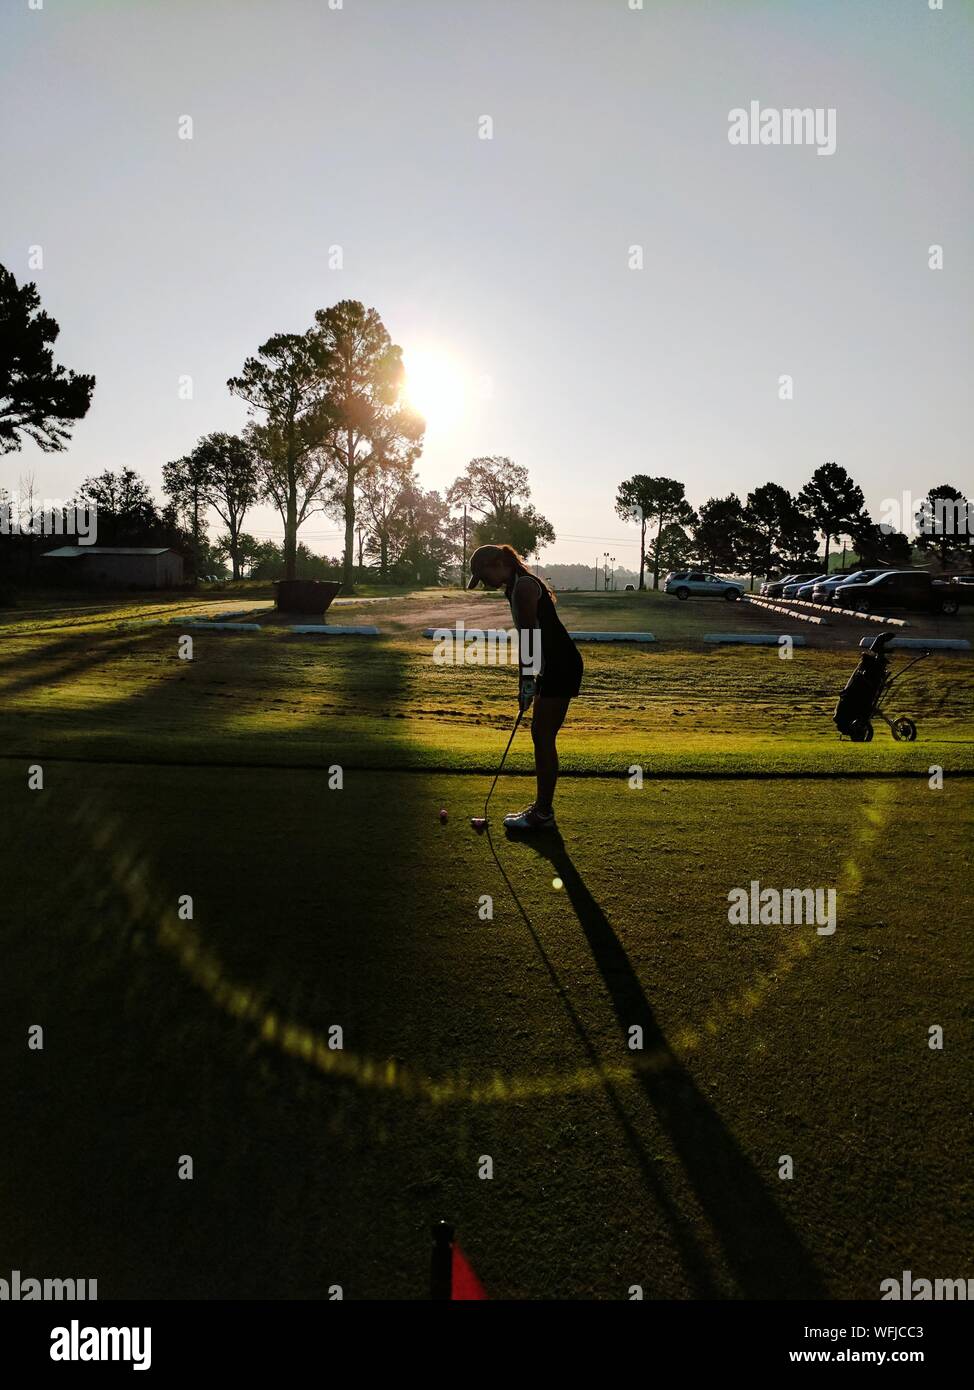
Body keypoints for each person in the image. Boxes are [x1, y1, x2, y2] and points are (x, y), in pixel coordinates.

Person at [467, 543, 583, 831]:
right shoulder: (516, 586)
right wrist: (528, 679)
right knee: (541, 736)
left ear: (497, 565)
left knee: (542, 736)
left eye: (484, 576)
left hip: (559, 664)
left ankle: (543, 813)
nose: (486, 584)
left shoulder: (524, 587)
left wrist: (526, 682)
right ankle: (543, 811)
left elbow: (530, 637)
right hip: (552, 664)